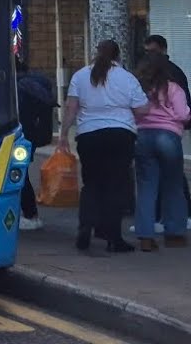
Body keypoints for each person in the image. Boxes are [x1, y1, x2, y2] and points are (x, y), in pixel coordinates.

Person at [58, 39, 150, 253]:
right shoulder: (127, 78)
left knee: (91, 184)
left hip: (89, 136)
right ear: (119, 56)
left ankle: (86, 226)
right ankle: (113, 237)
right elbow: (142, 110)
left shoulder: (80, 76)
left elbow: (71, 108)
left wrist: (63, 135)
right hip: (120, 135)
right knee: (115, 185)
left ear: (95, 53)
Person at [132, 55, 191, 250]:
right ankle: (174, 233)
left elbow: (134, 111)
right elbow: (183, 114)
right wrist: (173, 116)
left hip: (142, 136)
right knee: (173, 186)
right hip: (168, 136)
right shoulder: (174, 88)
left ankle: (145, 236)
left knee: (146, 187)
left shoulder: (140, 90)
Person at [142, 35, 191, 230]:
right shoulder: (168, 75)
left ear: (162, 50)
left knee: (155, 178)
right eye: (146, 51)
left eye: (151, 51)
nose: (148, 55)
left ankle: (153, 222)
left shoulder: (163, 74)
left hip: (151, 131)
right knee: (172, 176)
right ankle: (175, 220)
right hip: (168, 131)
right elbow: (183, 110)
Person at [16, 59, 56, 230]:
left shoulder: (19, 87)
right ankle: (30, 214)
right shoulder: (36, 84)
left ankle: (30, 214)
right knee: (22, 173)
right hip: (32, 134)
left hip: (20, 135)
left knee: (19, 174)